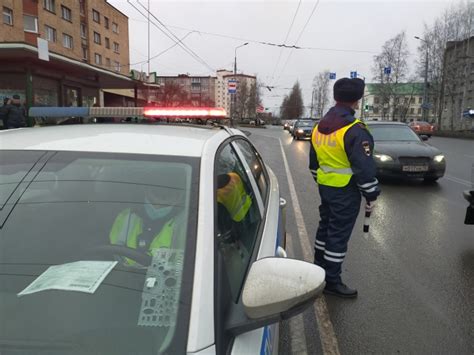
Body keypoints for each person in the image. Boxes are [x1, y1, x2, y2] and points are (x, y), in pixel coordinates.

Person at [309, 77, 380, 298]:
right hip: (346, 191)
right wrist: (371, 193)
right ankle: (331, 281)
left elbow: (314, 163)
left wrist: (322, 180)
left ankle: (318, 269)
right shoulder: (354, 129)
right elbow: (363, 167)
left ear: (336, 97)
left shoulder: (319, 126)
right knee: (338, 236)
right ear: (357, 101)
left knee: (325, 229)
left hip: (326, 188)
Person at [109, 186, 186, 266]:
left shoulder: (186, 225)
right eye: (157, 191)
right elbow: (110, 253)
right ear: (146, 190)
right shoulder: (126, 217)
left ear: (179, 197)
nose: (158, 206)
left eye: (168, 193)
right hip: (122, 274)